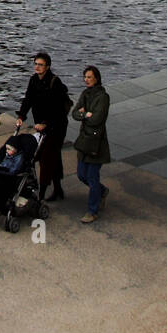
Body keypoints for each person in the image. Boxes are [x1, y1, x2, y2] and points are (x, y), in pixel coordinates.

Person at [15, 51, 71, 200]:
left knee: (45, 158)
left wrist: (45, 123)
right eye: (36, 64)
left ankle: (41, 193)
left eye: (40, 65)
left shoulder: (54, 82)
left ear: (47, 67)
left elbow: (57, 109)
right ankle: (58, 189)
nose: (37, 67)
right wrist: (21, 115)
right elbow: (28, 99)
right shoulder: (34, 80)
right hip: (42, 125)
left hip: (56, 126)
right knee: (53, 156)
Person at [72, 65, 111, 223]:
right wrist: (85, 114)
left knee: (92, 177)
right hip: (84, 141)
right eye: (85, 77)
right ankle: (102, 191)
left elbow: (97, 119)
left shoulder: (103, 97)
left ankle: (92, 210)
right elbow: (75, 113)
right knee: (82, 175)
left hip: (96, 143)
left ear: (96, 78)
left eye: (89, 77)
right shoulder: (85, 94)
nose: (86, 80)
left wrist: (85, 114)